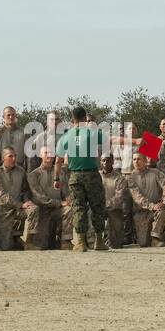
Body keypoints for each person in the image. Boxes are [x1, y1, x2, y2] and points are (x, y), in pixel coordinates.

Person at [53, 106, 109, 252]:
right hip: (92, 175)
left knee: (78, 208)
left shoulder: (65, 136)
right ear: (85, 118)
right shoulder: (92, 132)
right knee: (97, 207)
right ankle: (99, 241)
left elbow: (58, 161)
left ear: (72, 119)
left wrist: (56, 179)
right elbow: (112, 139)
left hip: (75, 176)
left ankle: (81, 243)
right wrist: (134, 141)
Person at [125, 152, 165, 247]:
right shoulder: (130, 178)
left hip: (157, 209)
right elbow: (137, 197)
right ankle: (163, 236)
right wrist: (152, 206)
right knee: (144, 243)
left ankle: (156, 238)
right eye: (134, 159)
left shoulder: (156, 173)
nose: (136, 161)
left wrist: (164, 202)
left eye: (139, 159)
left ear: (145, 161)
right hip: (141, 212)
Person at [0, 147, 32, 251]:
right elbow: (1, 195)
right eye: (10, 156)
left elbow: (25, 190)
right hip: (3, 210)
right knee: (5, 247)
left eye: (15, 156)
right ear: (3, 158)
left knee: (33, 209)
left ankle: (31, 241)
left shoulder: (21, 171)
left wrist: (26, 200)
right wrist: (20, 204)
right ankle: (10, 238)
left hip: (18, 209)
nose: (14, 159)